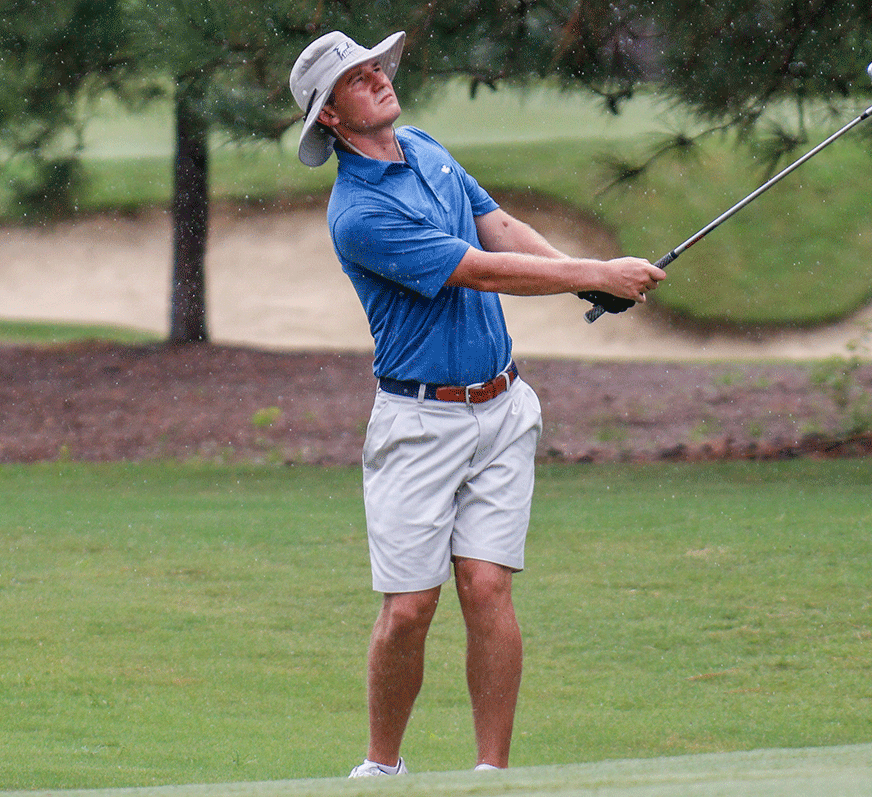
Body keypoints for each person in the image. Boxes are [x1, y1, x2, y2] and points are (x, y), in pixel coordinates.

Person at [287, 30, 666, 778]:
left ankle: (492, 775)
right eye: (357, 80)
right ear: (328, 116)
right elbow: (479, 269)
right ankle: (383, 767)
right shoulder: (358, 214)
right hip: (418, 423)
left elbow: (496, 226)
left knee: (487, 585)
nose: (378, 80)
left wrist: (582, 277)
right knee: (409, 611)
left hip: (501, 405)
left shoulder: (426, 147)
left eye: (375, 68)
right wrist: (594, 271)